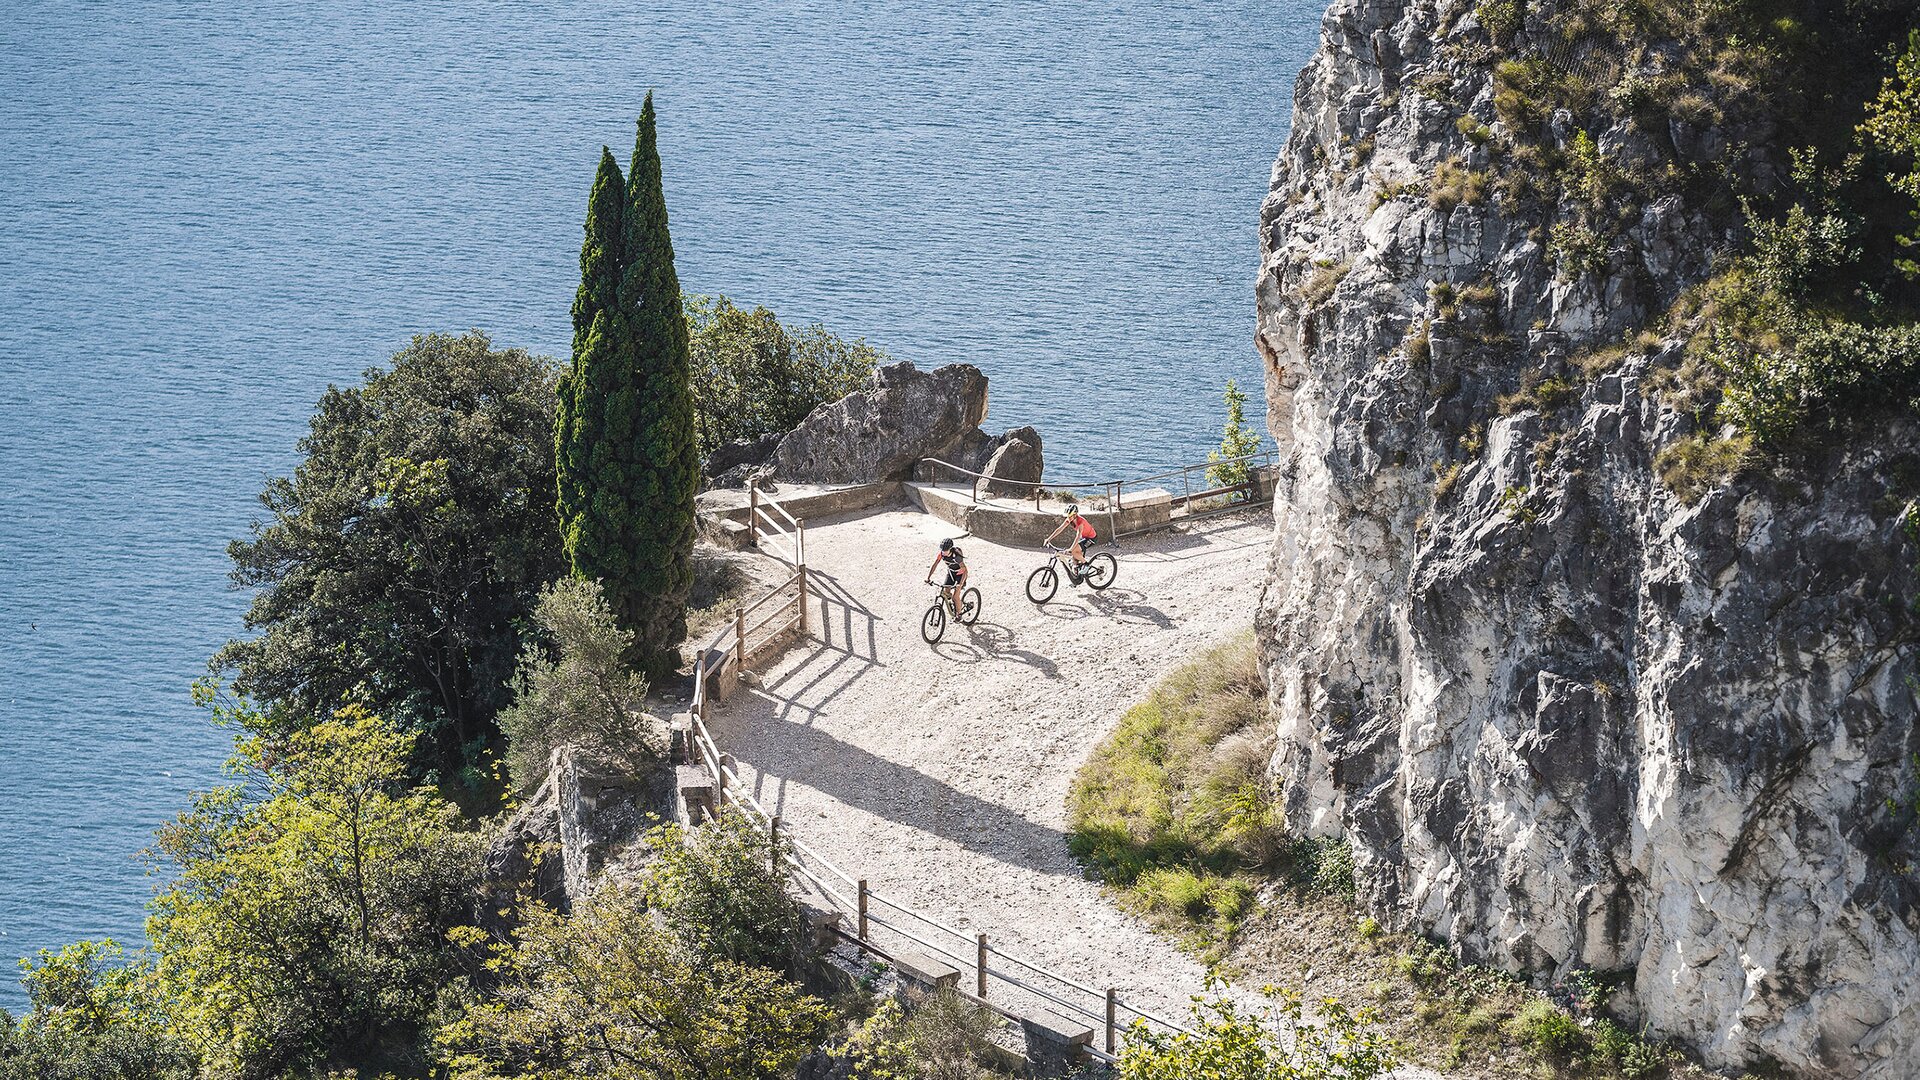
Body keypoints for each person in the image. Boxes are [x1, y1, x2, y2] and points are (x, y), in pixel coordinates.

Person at [1046, 505, 1098, 573]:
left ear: (1075, 515)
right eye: (1068, 516)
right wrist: (1048, 539)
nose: (1068, 518)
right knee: (1075, 558)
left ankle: (1087, 565)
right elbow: (1059, 529)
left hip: (1091, 538)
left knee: (1073, 551)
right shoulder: (1070, 519)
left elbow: (1078, 536)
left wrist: (1070, 549)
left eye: (1070, 516)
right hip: (1084, 537)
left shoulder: (1080, 521)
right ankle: (1077, 575)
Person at [925, 537, 968, 611]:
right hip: (951, 572)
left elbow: (964, 570)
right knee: (946, 592)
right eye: (942, 550)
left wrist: (960, 584)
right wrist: (928, 577)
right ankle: (954, 605)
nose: (944, 552)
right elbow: (935, 564)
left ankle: (959, 615)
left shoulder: (956, 556)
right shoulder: (941, 554)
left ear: (950, 549)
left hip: (960, 574)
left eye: (946, 551)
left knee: (955, 597)